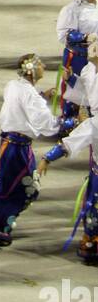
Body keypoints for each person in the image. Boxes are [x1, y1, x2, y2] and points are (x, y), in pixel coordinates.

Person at [0, 54, 60, 248]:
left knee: (9, 186)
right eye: (40, 64)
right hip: (17, 147)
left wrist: (41, 96)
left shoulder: (13, 85)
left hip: (11, 142)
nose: (45, 66)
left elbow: (22, 103)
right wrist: (69, 123)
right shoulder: (29, 94)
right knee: (26, 188)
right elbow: (46, 124)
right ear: (31, 69)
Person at [39, 91, 98, 266]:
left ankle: (92, 243)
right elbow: (69, 143)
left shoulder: (94, 124)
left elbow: (68, 144)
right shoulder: (94, 124)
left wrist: (47, 158)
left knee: (94, 213)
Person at [55, 0, 98, 132]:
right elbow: (64, 35)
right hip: (77, 57)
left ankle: (94, 124)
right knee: (72, 90)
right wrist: (85, 37)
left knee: (94, 89)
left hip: (95, 58)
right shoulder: (72, 9)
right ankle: (67, 124)